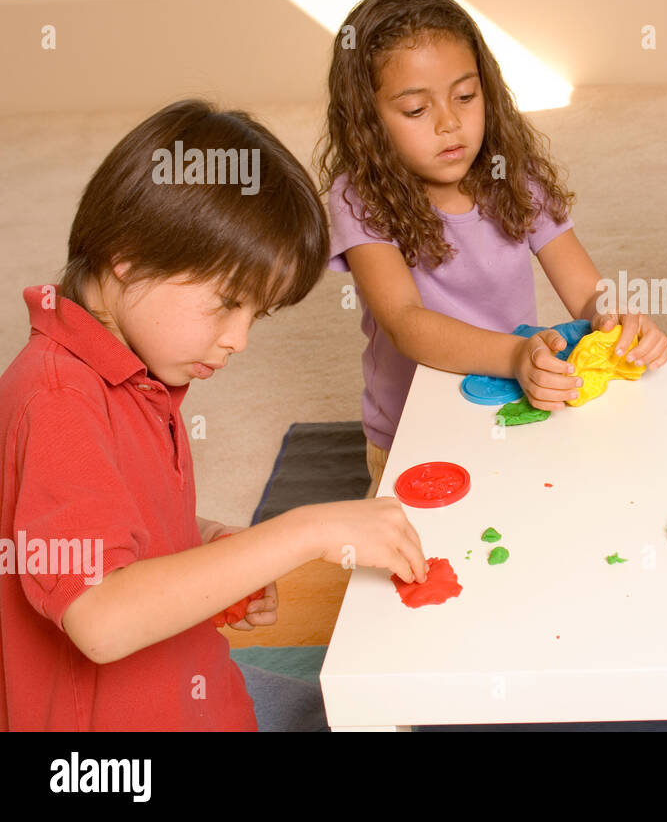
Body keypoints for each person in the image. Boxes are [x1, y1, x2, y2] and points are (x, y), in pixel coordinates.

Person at [0, 101, 428, 731]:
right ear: (129, 253)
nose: (239, 340)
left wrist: (205, 547)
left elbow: (108, 512)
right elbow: (98, 616)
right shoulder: (59, 400)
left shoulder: (130, 367)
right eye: (227, 304)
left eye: (257, 314)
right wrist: (299, 531)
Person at [319, 0, 667, 494]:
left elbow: (587, 291)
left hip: (517, 397)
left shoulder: (514, 175)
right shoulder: (360, 198)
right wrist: (514, 355)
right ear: (367, 122)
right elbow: (405, 323)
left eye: (465, 96)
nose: (450, 122)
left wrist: (621, 319)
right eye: (416, 110)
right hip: (415, 427)